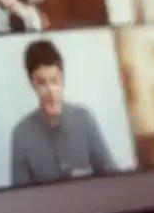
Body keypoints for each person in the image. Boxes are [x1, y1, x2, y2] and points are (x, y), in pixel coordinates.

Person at [11, 40, 118, 186]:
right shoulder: (21, 134)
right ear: (32, 84)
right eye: (42, 83)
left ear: (63, 79)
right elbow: (20, 197)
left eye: (55, 81)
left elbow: (111, 175)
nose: (50, 91)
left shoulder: (83, 118)